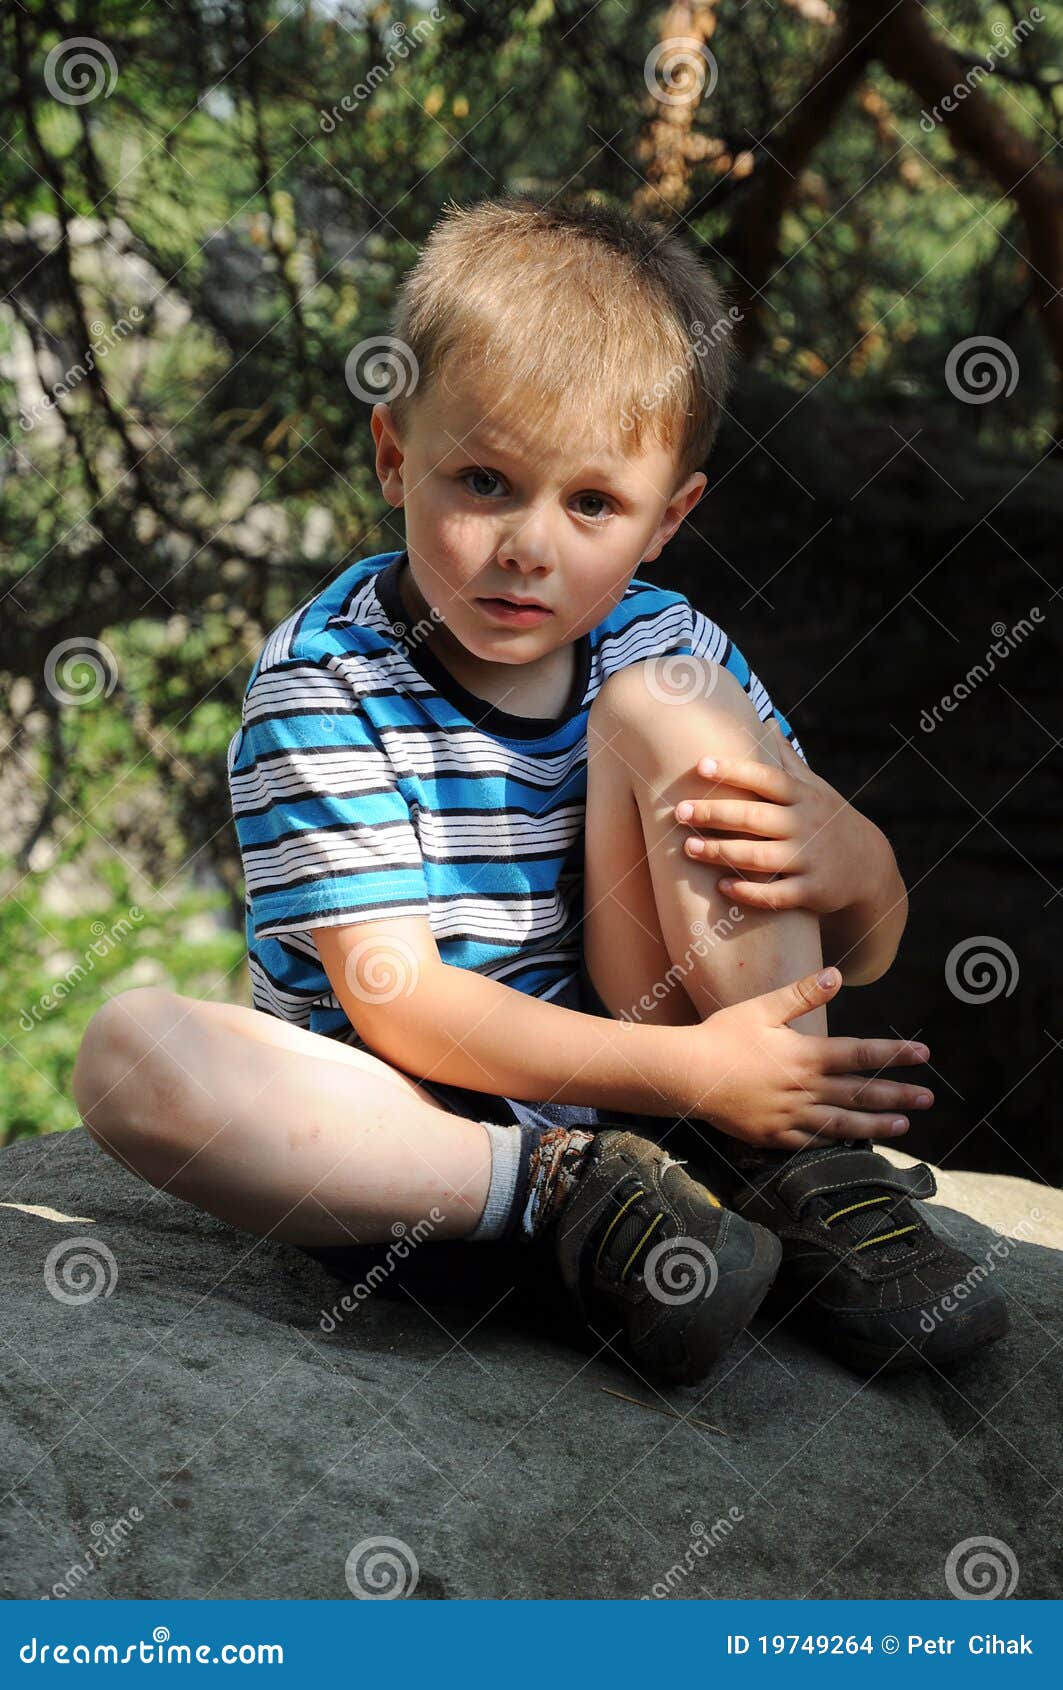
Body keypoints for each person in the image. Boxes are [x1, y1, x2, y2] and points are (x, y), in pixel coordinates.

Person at [72, 195, 1007, 1386]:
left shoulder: (667, 639)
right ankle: (569, 1201)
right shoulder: (326, 682)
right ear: (392, 457)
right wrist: (676, 1075)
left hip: (686, 1098)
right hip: (421, 1149)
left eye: (593, 504)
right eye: (482, 481)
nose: (529, 544)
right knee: (129, 1054)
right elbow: (398, 1004)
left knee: (671, 704)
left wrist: (862, 870)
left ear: (669, 517)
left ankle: (790, 1172)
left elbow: (854, 946)